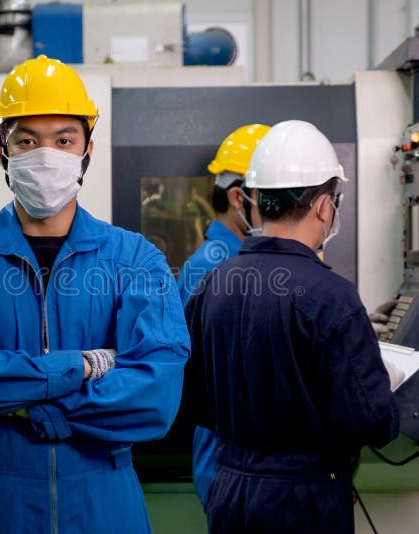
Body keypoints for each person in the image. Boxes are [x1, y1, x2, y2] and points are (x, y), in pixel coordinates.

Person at [0, 55, 190, 533]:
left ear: (87, 150)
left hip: (103, 504)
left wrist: (23, 405)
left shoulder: (136, 261)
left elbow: (154, 398)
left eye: (63, 140)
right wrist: (79, 367)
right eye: (26, 141)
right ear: (1, 152)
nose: (45, 156)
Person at [183, 120, 401, 533]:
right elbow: (374, 423)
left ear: (256, 200)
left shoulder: (213, 283)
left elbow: (194, 402)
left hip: (230, 491)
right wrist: (379, 381)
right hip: (304, 500)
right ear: (324, 205)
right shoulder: (332, 295)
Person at [175, 123, 270, 510]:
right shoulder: (212, 267)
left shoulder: (246, 261)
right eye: (274, 197)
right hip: (229, 461)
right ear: (237, 196)